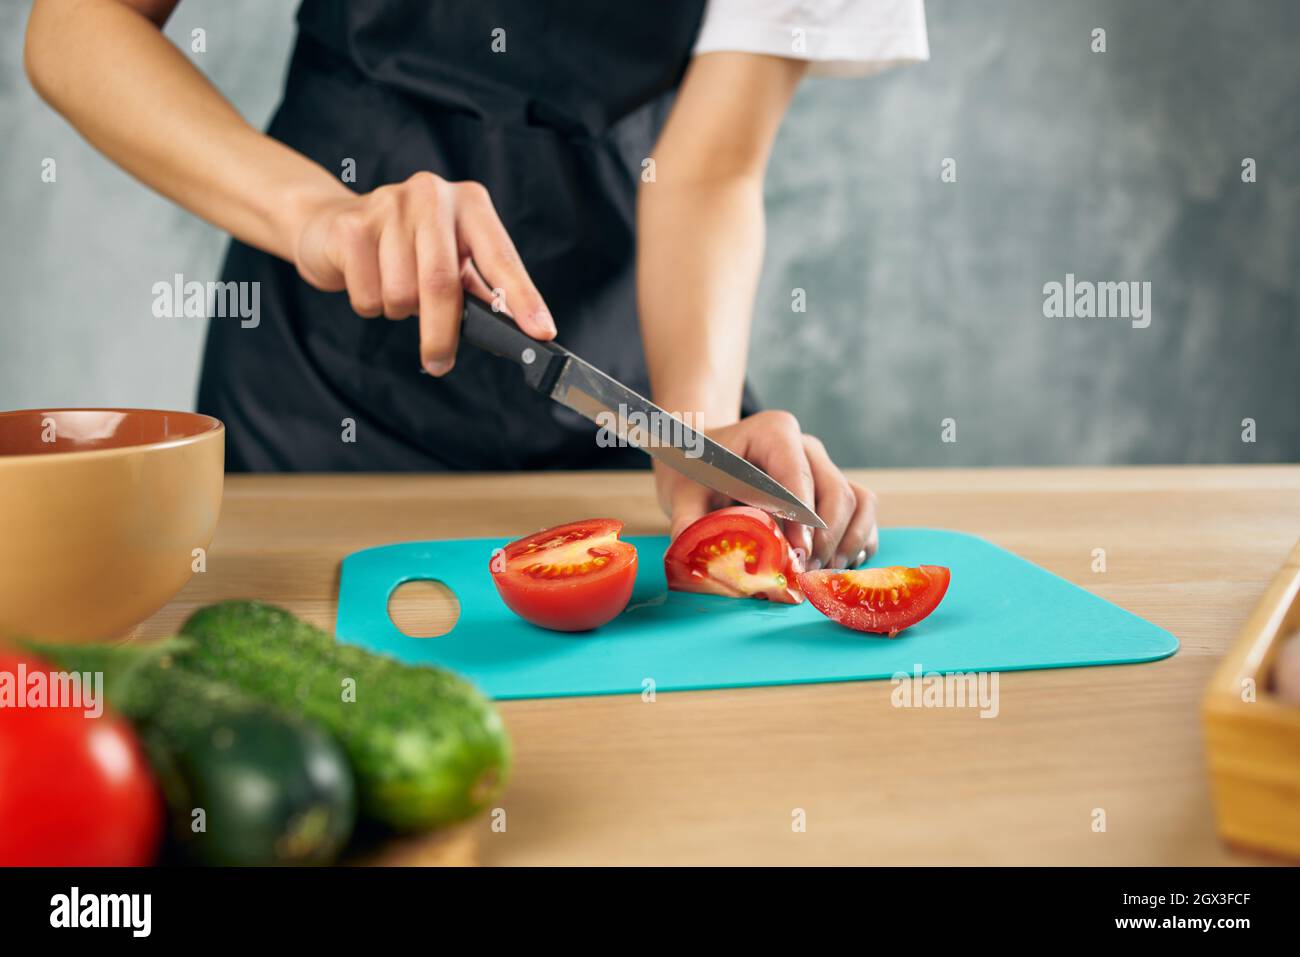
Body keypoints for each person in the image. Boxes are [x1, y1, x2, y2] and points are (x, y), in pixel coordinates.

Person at [24, 0, 928, 569]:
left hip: (609, 381)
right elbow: (76, 24)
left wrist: (690, 428)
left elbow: (709, 170)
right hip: (312, 389)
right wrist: (320, 217)